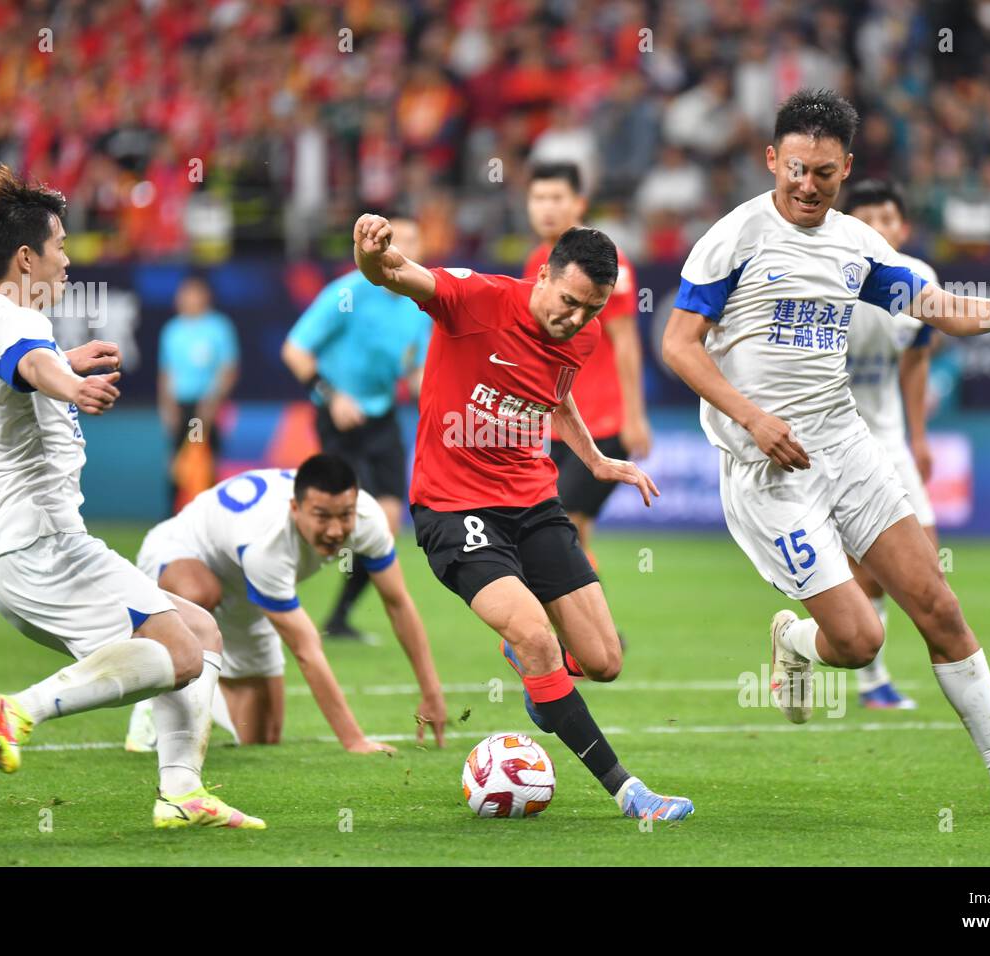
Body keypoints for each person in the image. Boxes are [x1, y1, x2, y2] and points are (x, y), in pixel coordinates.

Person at [661, 90, 990, 815]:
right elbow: (677, 345)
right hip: (768, 472)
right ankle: (798, 641)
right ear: (772, 159)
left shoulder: (856, 245)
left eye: (824, 174)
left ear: (846, 170)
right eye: (796, 168)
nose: (807, 185)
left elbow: (936, 309)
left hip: (845, 446)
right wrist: (752, 417)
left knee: (939, 607)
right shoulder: (732, 238)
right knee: (858, 641)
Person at [353, 213, 693, 821]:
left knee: (603, 661)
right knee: (535, 636)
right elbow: (396, 275)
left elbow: (554, 393)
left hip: (534, 503)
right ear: (543, 275)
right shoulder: (475, 298)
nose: (575, 319)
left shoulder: (581, 337)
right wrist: (369, 254)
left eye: (590, 310)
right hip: (456, 511)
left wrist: (594, 459)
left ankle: (543, 687)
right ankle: (629, 791)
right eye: (568, 302)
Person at [0, 165, 262, 829]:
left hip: (26, 548)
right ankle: (20, 709)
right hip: (41, 548)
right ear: (26, 256)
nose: (68, 259)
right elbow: (30, 362)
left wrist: (67, 368)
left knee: (200, 632)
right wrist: (72, 386)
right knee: (180, 651)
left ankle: (182, 791)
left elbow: (32, 364)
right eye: (60, 245)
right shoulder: (12, 322)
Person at [123, 454, 447, 751]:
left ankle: (205, 694)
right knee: (200, 594)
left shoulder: (367, 517)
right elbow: (307, 650)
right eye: (321, 517)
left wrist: (431, 691)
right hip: (183, 553)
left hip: (246, 581)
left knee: (261, 736)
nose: (335, 531)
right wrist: (354, 740)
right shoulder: (268, 544)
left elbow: (397, 603)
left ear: (355, 505)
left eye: (344, 516)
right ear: (296, 509)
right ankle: (153, 702)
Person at [282, 216, 432, 642]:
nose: (401, 248)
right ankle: (273, 591)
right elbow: (294, 349)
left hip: (381, 416)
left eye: (411, 240)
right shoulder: (347, 291)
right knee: (339, 516)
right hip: (337, 415)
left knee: (385, 523)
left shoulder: (419, 301)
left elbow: (417, 371)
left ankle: (338, 618)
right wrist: (332, 395)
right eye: (392, 239)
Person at [841, 178, 940, 710]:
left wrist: (918, 434)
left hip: (889, 437)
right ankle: (871, 680)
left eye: (888, 218)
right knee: (865, 569)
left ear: (902, 227)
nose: (879, 228)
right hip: (833, 440)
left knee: (927, 565)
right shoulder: (826, 278)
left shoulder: (919, 281)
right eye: (867, 218)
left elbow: (918, 357)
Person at [523, 163, 651, 567]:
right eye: (538, 198)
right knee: (571, 532)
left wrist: (635, 417)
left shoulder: (605, 263)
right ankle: (594, 631)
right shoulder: (537, 264)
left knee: (562, 528)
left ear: (578, 203)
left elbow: (627, 342)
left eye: (556, 198)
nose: (546, 208)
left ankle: (584, 630)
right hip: (559, 422)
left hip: (605, 422)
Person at [158, 276, 239, 514]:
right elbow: (166, 373)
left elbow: (228, 369)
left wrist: (212, 402)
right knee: (177, 464)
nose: (188, 299)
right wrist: (167, 407)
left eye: (193, 294)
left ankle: (210, 518)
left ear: (205, 297)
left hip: (205, 406)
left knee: (206, 462)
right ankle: (171, 519)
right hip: (181, 406)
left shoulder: (218, 327)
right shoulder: (172, 330)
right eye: (184, 294)